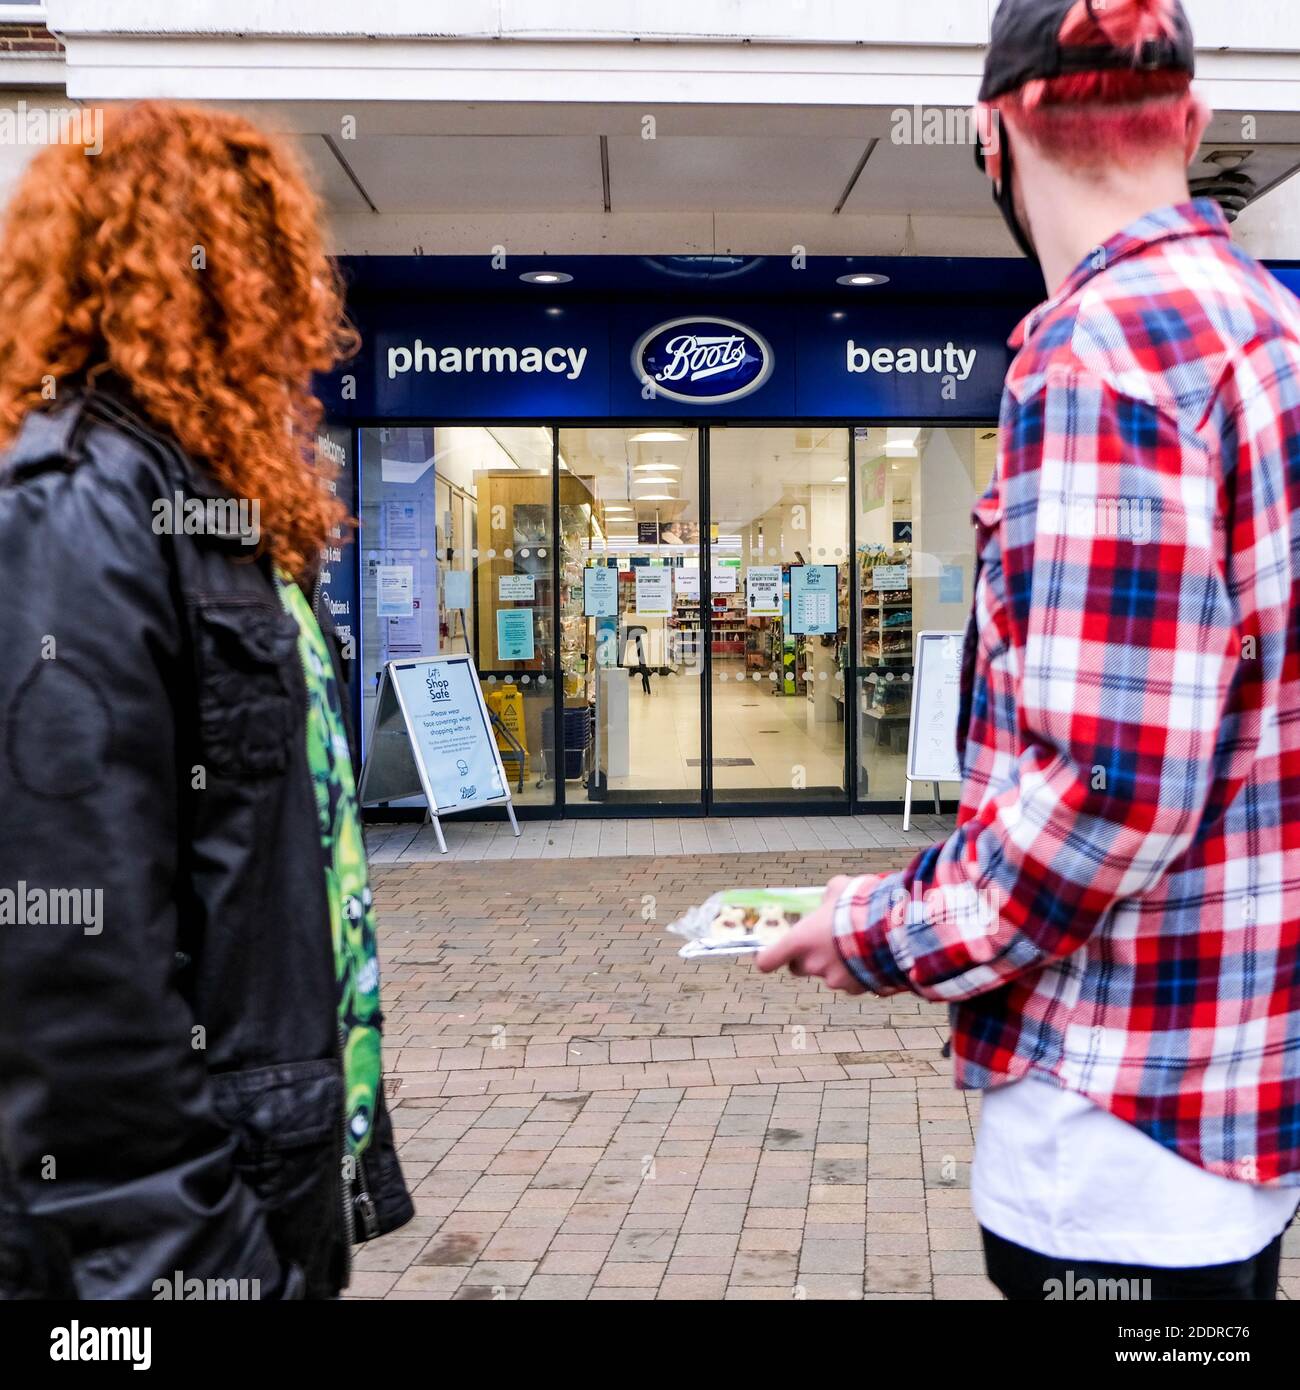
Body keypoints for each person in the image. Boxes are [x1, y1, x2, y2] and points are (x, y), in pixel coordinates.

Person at [759, 0, 1300, 1301]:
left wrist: (877, 927)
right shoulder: (1271, 341)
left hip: (1112, 1138)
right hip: (1232, 1110)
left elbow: (1109, 790)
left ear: (996, 134)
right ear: (1194, 120)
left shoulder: (1099, 354)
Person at [0, 101, 412, 1299]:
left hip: (258, 1190)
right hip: (169, 1251)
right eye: (273, 275)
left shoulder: (216, 518)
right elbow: (63, 967)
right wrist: (205, 1265)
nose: (300, 325)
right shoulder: (67, 509)